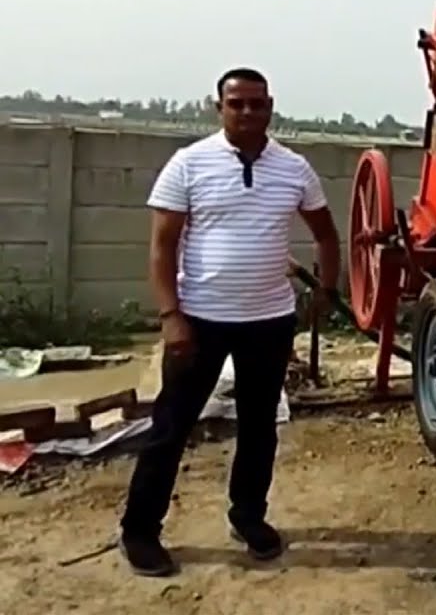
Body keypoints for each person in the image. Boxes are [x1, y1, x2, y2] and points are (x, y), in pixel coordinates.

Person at [118, 67, 341, 576]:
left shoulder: (294, 169)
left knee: (260, 428)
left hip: (269, 321)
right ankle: (140, 530)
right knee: (170, 428)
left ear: (270, 107)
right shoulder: (189, 164)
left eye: (256, 103)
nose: (247, 112)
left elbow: (327, 235)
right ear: (218, 107)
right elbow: (161, 248)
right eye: (236, 103)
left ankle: (248, 515)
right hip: (200, 321)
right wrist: (171, 316)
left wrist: (326, 291)